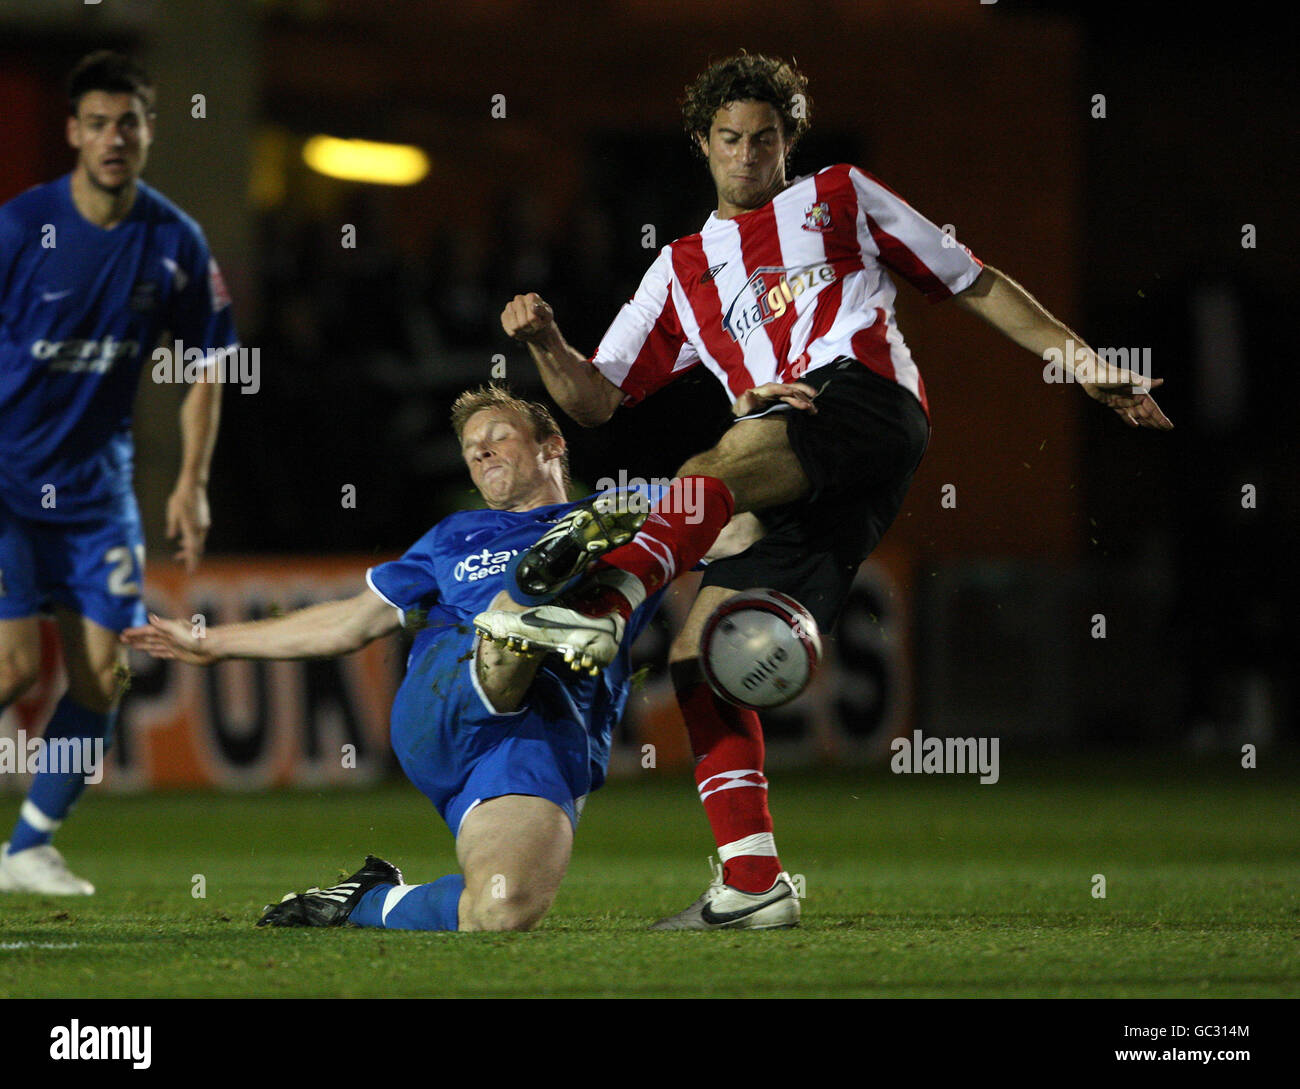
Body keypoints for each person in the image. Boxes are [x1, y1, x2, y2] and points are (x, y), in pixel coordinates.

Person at [488, 51, 1173, 930]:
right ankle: (752, 881)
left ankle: (606, 602)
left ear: (789, 142)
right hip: (809, 474)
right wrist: (545, 341)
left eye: (765, 139)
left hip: (866, 404)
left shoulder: (841, 196)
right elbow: (595, 399)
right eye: (730, 138)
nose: (747, 155)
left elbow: (975, 279)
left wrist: (1083, 365)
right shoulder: (680, 269)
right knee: (705, 660)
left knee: (709, 471)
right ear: (702, 142)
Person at [122, 386, 742, 931]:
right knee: (524, 606)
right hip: (448, 699)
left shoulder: (636, 510)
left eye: (498, 437)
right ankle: (526, 606)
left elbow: (742, 517)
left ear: (553, 445)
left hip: (537, 737)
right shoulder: (455, 537)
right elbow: (350, 621)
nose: (481, 453)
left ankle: (364, 902)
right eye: (472, 449)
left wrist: (753, 427)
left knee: (501, 910)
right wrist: (214, 643)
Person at [0, 51, 235, 895]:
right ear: (72, 131)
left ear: (147, 130)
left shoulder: (172, 240)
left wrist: (192, 479)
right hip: (9, 485)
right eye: (97, 123)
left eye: (127, 122)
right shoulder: (24, 228)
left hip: (98, 492)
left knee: (106, 673)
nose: (113, 138)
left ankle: (27, 846)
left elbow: (210, 359)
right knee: (14, 669)